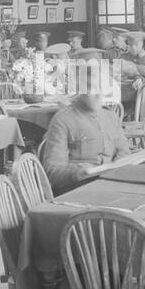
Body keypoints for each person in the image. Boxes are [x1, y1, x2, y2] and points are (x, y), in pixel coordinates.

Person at [39, 59, 130, 194]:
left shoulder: (111, 117)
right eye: (92, 88)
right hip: (78, 191)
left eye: (101, 88)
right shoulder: (62, 120)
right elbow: (52, 171)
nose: (98, 94)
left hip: (111, 186)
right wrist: (77, 172)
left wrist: (118, 167)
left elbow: (124, 152)